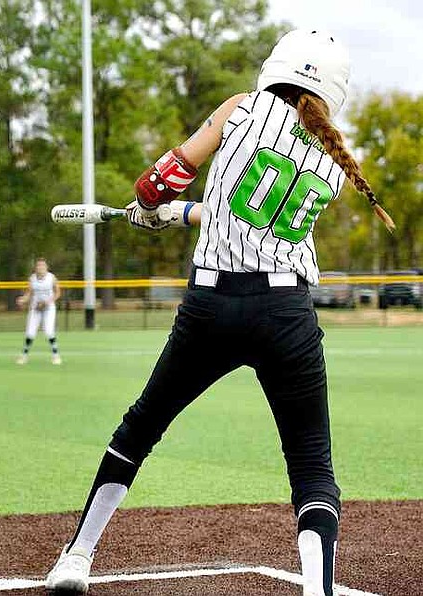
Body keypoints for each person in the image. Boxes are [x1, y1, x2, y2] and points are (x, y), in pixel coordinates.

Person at [44, 30, 395, 596]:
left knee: (140, 428)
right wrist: (177, 214)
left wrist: (151, 210)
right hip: (287, 315)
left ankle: (76, 559)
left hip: (211, 307)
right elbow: (244, 207)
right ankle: (318, 589)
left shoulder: (239, 108)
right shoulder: (332, 155)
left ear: (273, 68)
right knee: (311, 465)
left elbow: (160, 182)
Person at [16, 258, 62, 365]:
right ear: (35, 268)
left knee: (49, 331)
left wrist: (47, 302)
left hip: (49, 308)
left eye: (42, 265)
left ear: (46, 267)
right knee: (30, 332)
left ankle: (56, 356)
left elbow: (58, 293)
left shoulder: (51, 277)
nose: (40, 267)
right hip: (35, 308)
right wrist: (23, 299)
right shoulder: (32, 278)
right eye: (38, 265)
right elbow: (29, 294)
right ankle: (24, 356)